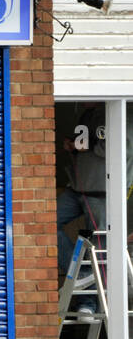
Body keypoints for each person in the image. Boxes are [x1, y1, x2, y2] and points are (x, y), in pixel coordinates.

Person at [57, 103, 107, 281]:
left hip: (101, 192)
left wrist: (86, 146)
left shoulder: (115, 110)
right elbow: (82, 143)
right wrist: (73, 145)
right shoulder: (87, 115)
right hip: (77, 188)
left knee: (99, 247)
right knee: (46, 223)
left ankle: (92, 303)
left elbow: (118, 146)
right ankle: (80, 274)